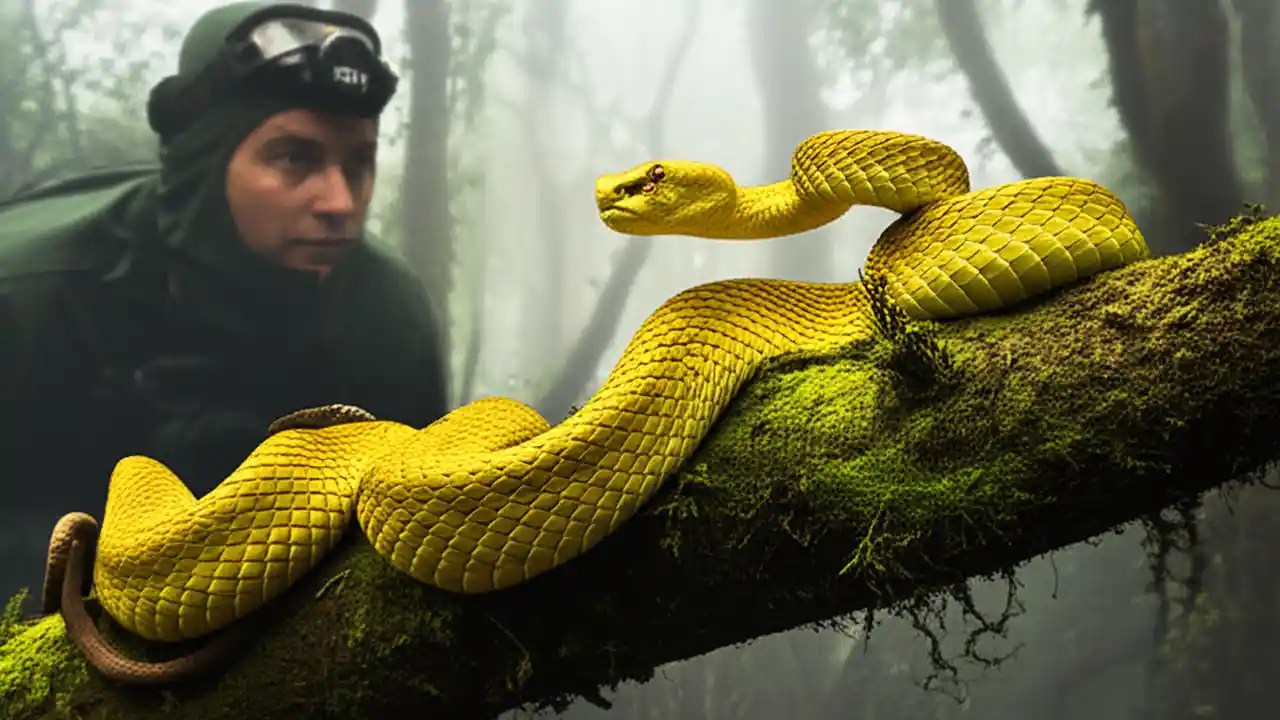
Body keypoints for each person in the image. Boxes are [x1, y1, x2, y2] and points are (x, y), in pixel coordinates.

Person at [0, 2, 449, 612]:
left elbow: (412, 554)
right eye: (296, 157)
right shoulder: (28, 296)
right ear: (206, 163)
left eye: (359, 162)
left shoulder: (386, 318)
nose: (340, 201)